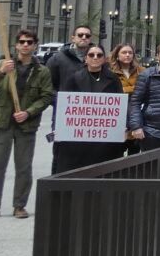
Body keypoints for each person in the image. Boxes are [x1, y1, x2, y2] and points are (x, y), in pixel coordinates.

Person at [0, 29, 54, 220]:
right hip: (2, 122)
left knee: (23, 167)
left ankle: (19, 205)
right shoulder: (3, 64)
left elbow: (46, 97)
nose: (25, 45)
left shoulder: (42, 71)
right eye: (22, 42)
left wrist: (28, 112)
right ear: (16, 45)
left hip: (26, 125)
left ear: (35, 45)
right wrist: (1, 72)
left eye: (29, 42)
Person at [51, 43, 128, 173]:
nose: (95, 57)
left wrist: (123, 126)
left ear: (104, 59)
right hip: (79, 141)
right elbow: (64, 106)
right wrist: (58, 127)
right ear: (85, 58)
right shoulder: (73, 78)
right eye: (91, 55)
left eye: (99, 55)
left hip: (105, 141)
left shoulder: (113, 79)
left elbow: (120, 107)